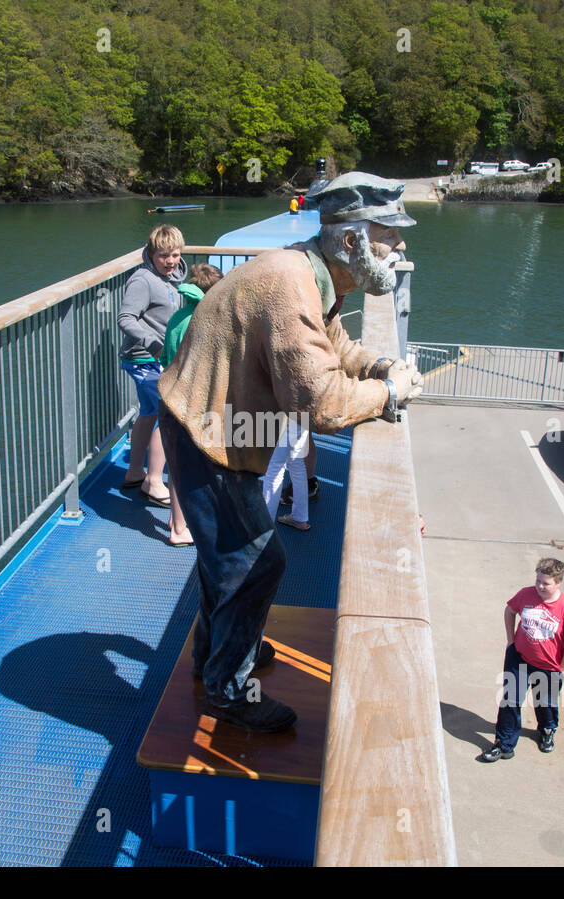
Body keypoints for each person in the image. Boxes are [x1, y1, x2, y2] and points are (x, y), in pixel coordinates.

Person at [157, 171, 424, 732]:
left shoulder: (310, 272)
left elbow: (332, 347)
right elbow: (321, 403)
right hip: (205, 434)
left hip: (219, 426)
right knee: (254, 563)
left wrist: (377, 369)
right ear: (351, 241)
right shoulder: (290, 285)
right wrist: (389, 393)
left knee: (225, 561)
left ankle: (221, 657)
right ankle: (229, 692)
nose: (400, 247)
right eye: (390, 236)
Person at [480, 558, 564, 761]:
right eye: (538, 581)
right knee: (510, 701)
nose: (540, 586)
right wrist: (511, 641)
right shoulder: (526, 594)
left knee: (545, 702)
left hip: (549, 667)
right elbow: (510, 611)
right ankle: (504, 744)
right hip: (519, 659)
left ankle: (546, 731)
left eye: (546, 583)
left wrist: (563, 667)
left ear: (558, 583)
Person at [118, 224, 188, 509]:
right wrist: (155, 345)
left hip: (158, 359)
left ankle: (135, 471)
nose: (170, 261)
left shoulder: (172, 278)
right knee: (164, 415)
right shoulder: (143, 280)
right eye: (163, 256)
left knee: (148, 414)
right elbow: (126, 318)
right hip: (145, 359)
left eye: (174, 254)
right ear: (150, 254)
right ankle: (154, 482)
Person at [159, 262, 224, 545]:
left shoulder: (177, 318)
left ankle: (176, 520)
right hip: (198, 402)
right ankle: (183, 528)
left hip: (171, 397)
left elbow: (164, 359)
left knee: (176, 464)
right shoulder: (209, 321)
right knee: (203, 464)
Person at [263, 414, 312, 531]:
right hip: (304, 413)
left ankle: (264, 529)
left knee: (274, 467)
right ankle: (299, 517)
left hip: (288, 415)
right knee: (296, 462)